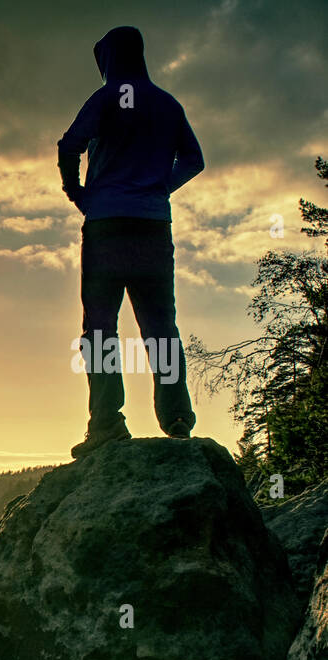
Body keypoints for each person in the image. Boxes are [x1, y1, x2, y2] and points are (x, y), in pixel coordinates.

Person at [58, 25, 205, 458]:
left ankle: (106, 424)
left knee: (101, 330)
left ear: (110, 59)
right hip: (152, 229)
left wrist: (78, 193)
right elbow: (195, 160)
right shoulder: (167, 104)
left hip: (105, 226)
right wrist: (160, 187)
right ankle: (177, 418)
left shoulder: (107, 98)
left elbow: (70, 146)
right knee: (161, 328)